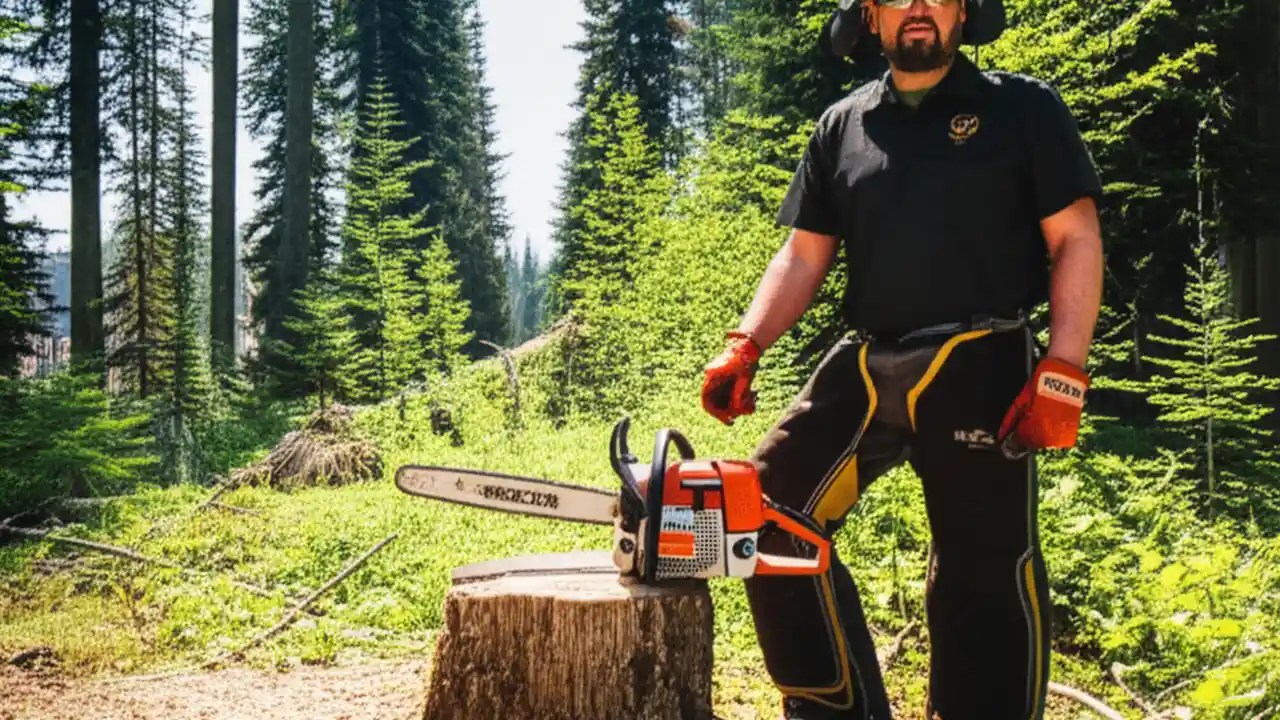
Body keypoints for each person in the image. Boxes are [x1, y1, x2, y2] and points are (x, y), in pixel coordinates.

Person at [699, 0, 1105, 718]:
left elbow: (1075, 237)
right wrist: (745, 343)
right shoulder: (843, 125)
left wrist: (1065, 367)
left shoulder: (1025, 111)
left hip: (981, 358)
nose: (918, 8)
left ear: (962, 12)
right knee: (764, 512)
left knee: (982, 567)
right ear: (872, 18)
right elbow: (804, 253)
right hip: (867, 358)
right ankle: (835, 709)